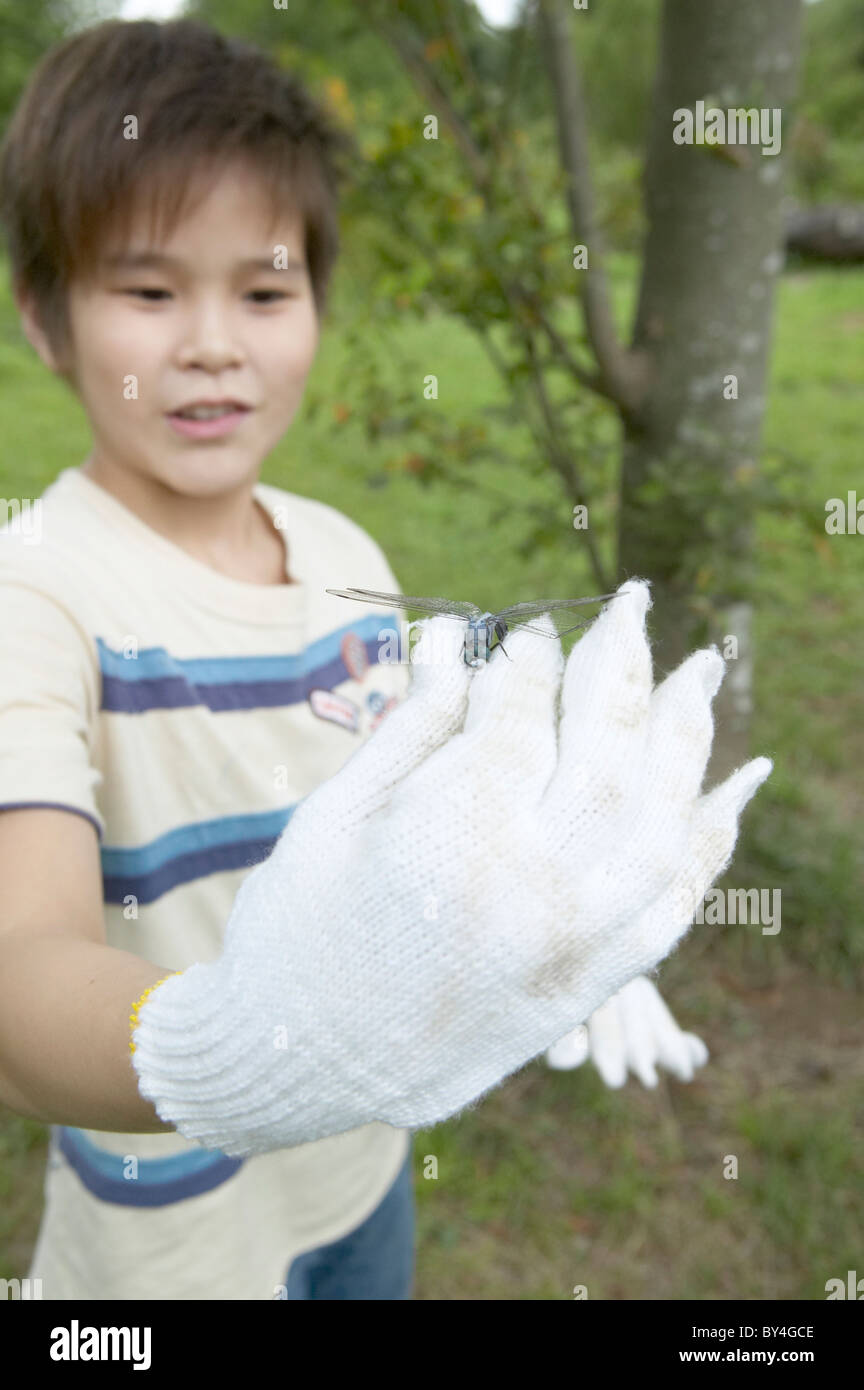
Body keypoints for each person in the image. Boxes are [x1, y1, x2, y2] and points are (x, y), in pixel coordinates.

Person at [0, 18, 770, 1302]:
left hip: (363, 1169)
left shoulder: (342, 546)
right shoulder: (35, 592)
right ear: (43, 317)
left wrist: (558, 939)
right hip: (169, 1233)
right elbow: (19, 981)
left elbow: (416, 818)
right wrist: (230, 1044)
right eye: (147, 290)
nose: (211, 342)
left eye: (263, 289)